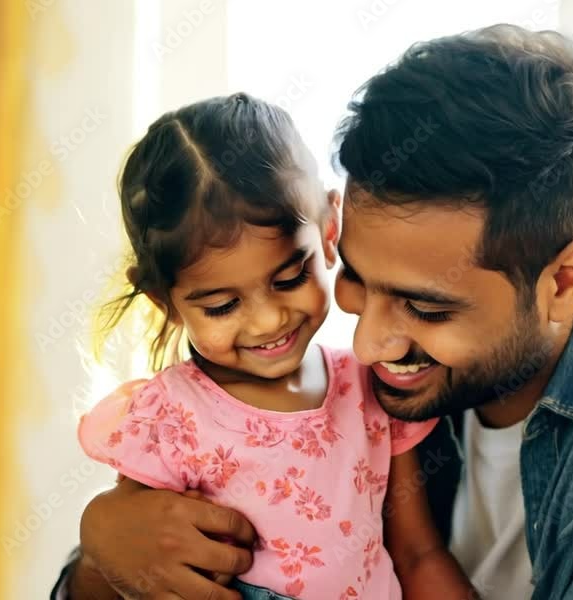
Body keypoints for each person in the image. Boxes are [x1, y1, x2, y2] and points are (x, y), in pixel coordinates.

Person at [56, 25, 573, 599]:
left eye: (423, 306)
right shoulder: (374, 391)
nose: (374, 341)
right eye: (355, 277)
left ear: (563, 280)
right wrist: (102, 551)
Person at [71, 93, 476, 600]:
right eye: (221, 306)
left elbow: (418, 555)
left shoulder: (370, 389)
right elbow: (128, 570)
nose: (267, 321)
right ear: (164, 300)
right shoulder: (168, 418)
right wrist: (98, 535)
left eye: (289, 278)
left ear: (330, 231)